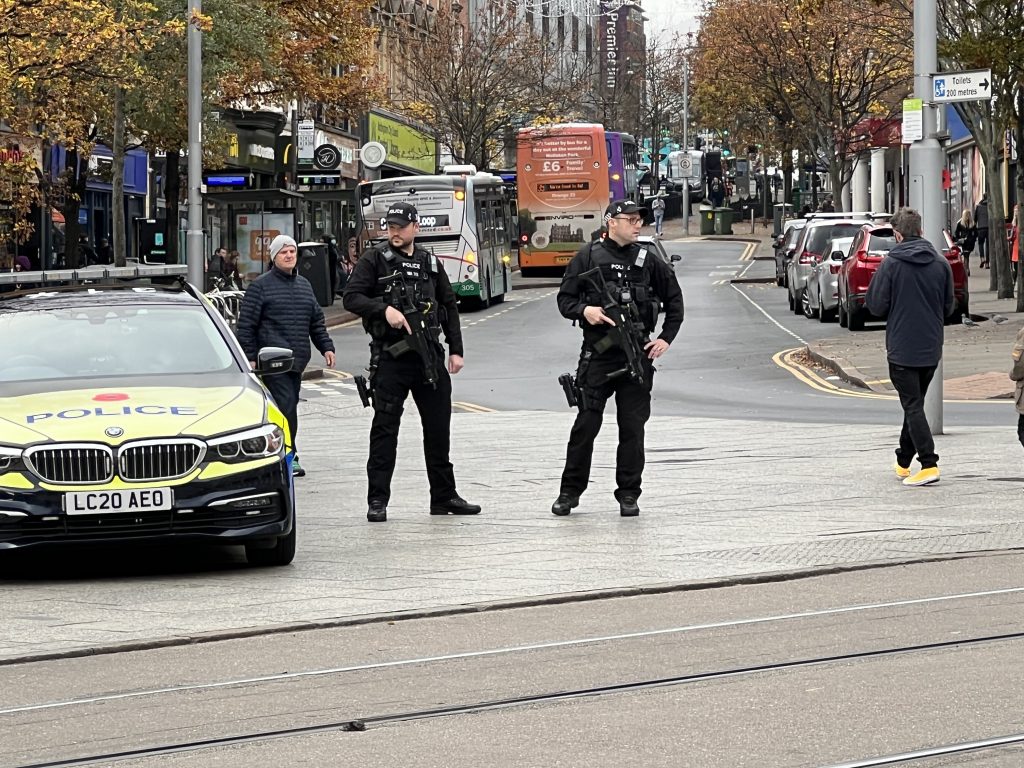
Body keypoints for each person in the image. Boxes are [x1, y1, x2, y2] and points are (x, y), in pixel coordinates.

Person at [342, 202, 480, 523]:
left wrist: (456, 350)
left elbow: (448, 305)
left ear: (415, 228)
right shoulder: (374, 259)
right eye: (390, 226)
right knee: (385, 430)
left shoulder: (430, 262)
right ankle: (377, 500)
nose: (394, 232)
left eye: (401, 227)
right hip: (392, 359)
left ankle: (443, 497)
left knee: (438, 430)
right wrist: (383, 310)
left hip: (429, 356)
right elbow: (352, 297)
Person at [551, 199, 684, 517]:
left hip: (636, 356)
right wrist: (586, 310)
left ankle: (628, 493)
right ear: (612, 222)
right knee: (585, 426)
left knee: (633, 428)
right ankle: (569, 493)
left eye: (641, 220)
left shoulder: (648, 260)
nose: (638, 225)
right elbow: (565, 299)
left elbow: (675, 301)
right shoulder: (588, 256)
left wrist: (665, 338)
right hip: (598, 357)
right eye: (631, 219)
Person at [865, 208, 954, 487]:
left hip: (902, 347)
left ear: (897, 234)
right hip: (930, 347)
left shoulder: (891, 264)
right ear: (922, 231)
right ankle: (904, 460)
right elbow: (949, 307)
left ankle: (929, 463)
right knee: (913, 404)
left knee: (912, 405)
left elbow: (876, 306)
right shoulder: (941, 263)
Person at [236, 234, 336, 478]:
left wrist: (326, 346)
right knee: (287, 407)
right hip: (272, 362)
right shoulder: (260, 286)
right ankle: (289, 456)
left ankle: (282, 452)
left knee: (286, 408)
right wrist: (250, 356)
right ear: (273, 257)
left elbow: (316, 321)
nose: (289, 255)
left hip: (297, 361)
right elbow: (246, 325)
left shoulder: (304, 285)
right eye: (284, 252)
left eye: (292, 251)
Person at [954, 208, 976, 272]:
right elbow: (976, 233)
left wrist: (958, 239)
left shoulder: (960, 223)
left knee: (965, 256)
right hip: (970, 242)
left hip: (964, 242)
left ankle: (966, 269)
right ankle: (967, 269)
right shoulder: (972, 223)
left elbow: (956, 233)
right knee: (967, 255)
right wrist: (973, 239)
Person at [974, 194, 989, 268]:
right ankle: (987, 263)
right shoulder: (990, 206)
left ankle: (982, 258)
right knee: (988, 245)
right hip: (989, 228)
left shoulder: (978, 206)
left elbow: (975, 219)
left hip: (980, 228)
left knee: (980, 244)